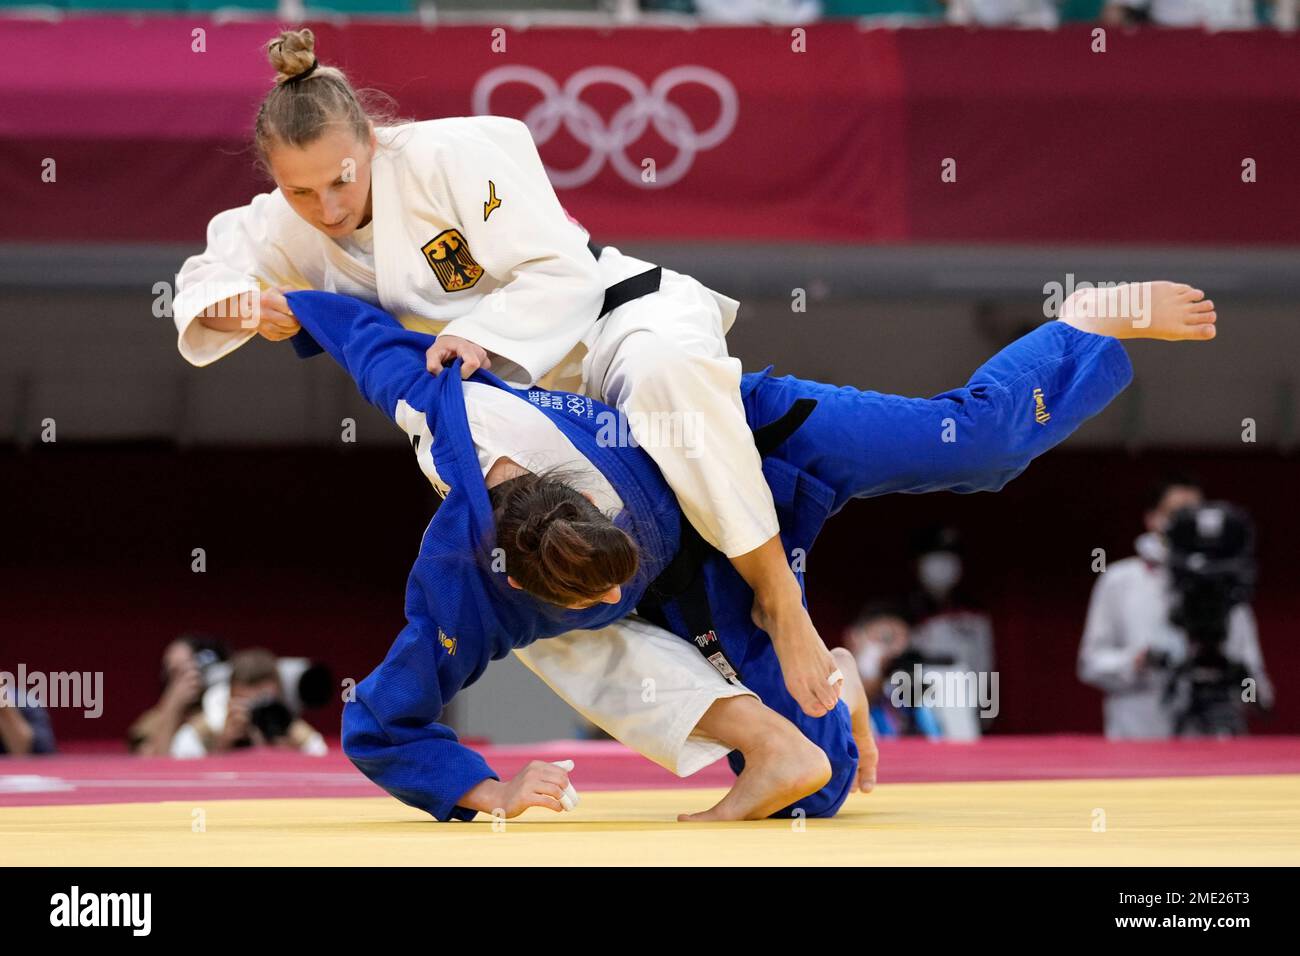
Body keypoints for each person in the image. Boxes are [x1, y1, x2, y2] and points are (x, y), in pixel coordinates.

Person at [272, 277, 1214, 822]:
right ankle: (828, 676)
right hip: (704, 575)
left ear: (581, 496)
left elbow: (380, 343)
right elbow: (384, 720)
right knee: (818, 783)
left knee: (981, 448)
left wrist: (297, 307)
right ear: (519, 584)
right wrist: (488, 790)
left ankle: (1082, 318)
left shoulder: (561, 429)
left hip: (751, 440)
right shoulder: (467, 589)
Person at [172, 27, 842, 722]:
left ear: (372, 139)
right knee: (514, 570)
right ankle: (742, 726)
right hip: (508, 401)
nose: (329, 208)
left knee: (667, 370)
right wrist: (244, 309)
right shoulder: (286, 223)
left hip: (601, 327)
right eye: (300, 191)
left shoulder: (451, 156)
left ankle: (777, 597)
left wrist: (477, 332)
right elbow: (207, 278)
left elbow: (562, 271)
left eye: (340, 179)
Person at [1077, 475, 1273, 738]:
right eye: (1178, 514)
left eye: (1196, 514)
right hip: (1139, 741)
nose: (1189, 523)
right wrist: (1135, 662)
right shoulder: (1119, 580)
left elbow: (1256, 680)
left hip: (1212, 747)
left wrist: (1238, 683)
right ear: (1152, 518)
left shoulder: (1226, 582)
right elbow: (1091, 663)